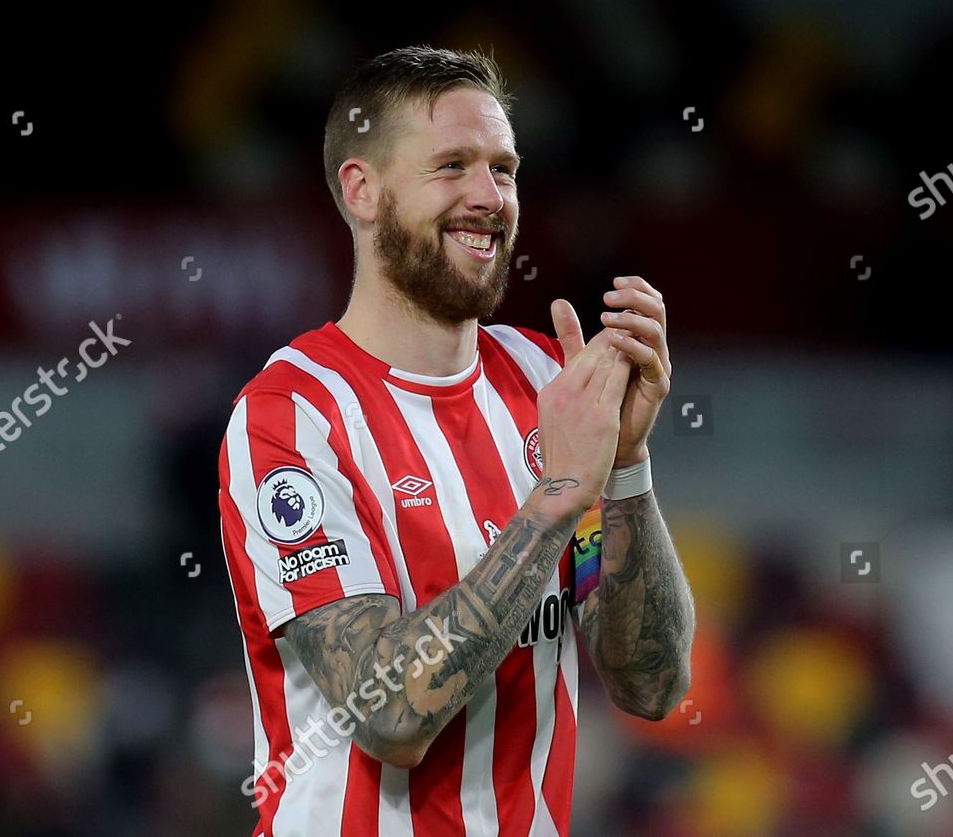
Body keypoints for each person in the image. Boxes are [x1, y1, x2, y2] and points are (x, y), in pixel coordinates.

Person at [216, 45, 694, 836]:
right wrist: (559, 495)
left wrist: (627, 470)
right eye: (452, 167)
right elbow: (393, 714)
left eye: (504, 170)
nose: (489, 196)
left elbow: (651, 684)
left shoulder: (548, 381)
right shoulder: (292, 416)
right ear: (362, 191)